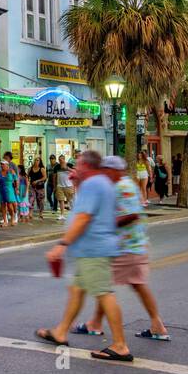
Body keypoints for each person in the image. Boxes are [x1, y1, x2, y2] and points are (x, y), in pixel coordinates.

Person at [37, 150, 131, 362]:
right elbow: (91, 208)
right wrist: (78, 183)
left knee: (104, 293)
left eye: (78, 164)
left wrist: (62, 244)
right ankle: (61, 331)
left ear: (87, 166)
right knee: (77, 290)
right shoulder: (101, 184)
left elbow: (83, 217)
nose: (74, 167)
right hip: (92, 248)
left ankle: (120, 345)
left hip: (94, 249)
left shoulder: (93, 184)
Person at [73, 156, 170, 342]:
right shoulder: (122, 184)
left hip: (126, 247)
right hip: (130, 245)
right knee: (131, 284)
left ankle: (106, 330)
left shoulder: (122, 186)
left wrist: (106, 224)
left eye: (105, 170)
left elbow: (131, 214)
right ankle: (156, 326)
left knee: (105, 284)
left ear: (114, 170)